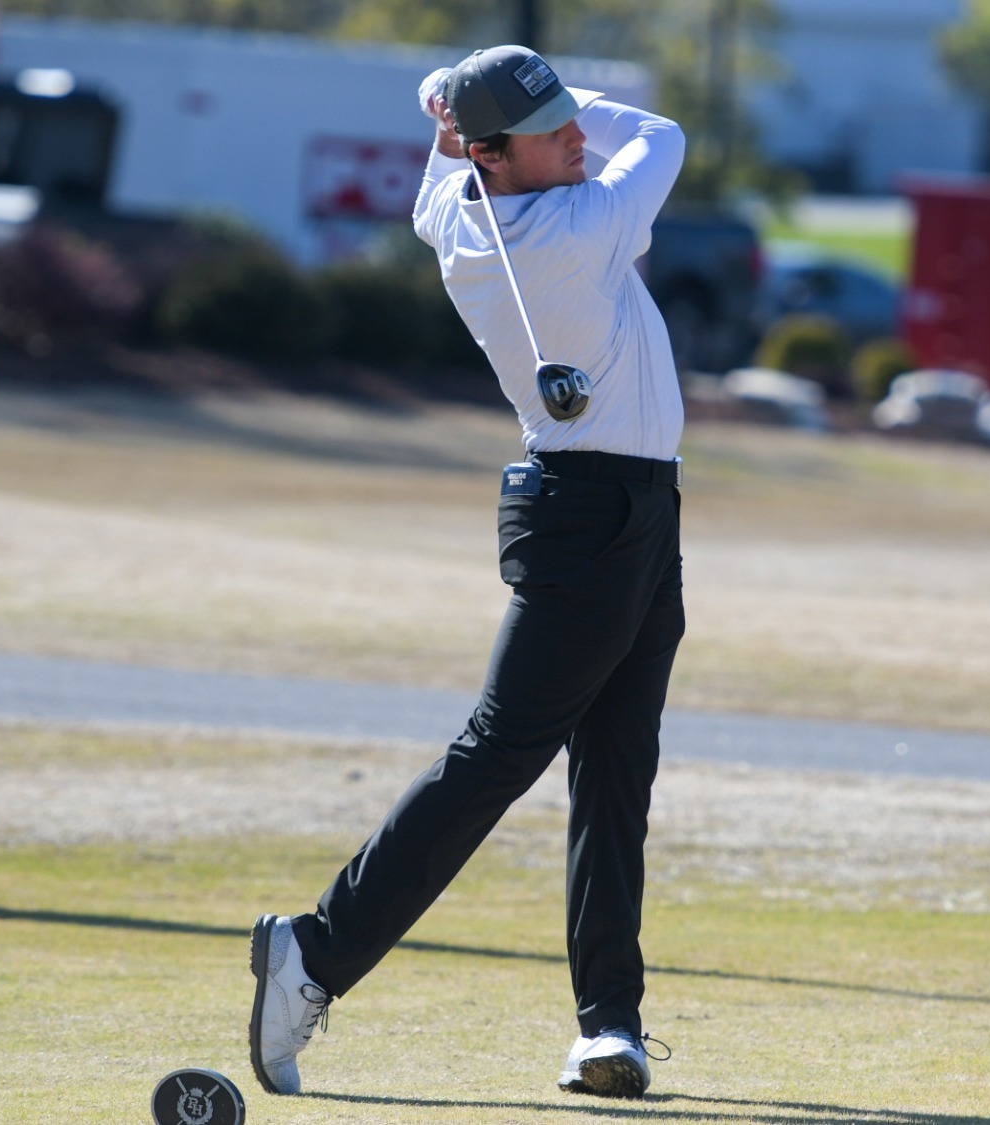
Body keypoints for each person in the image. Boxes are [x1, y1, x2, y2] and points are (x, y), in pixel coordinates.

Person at [247, 43, 687, 1101]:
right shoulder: (574, 230)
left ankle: (607, 1027)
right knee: (497, 757)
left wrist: (461, 109)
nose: (579, 136)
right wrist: (465, 106)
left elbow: (449, 129)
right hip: (591, 514)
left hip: (626, 508)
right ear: (495, 154)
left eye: (570, 121)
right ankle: (315, 952)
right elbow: (660, 135)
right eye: (554, 131)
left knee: (616, 772)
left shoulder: (452, 204)